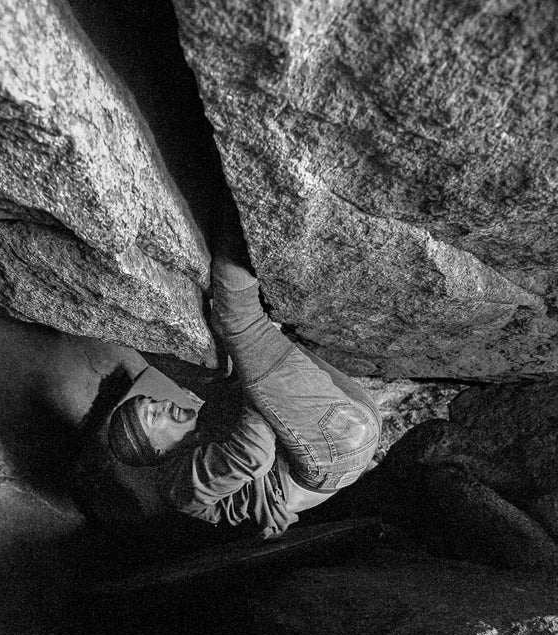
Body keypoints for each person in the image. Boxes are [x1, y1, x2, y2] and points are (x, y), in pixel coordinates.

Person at [107, 209, 382, 540]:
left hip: (355, 419)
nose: (164, 405)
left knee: (244, 358)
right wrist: (249, 385)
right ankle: (241, 202)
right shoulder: (181, 487)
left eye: (153, 401)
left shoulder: (205, 429)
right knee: (241, 319)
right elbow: (253, 452)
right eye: (153, 416)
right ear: (157, 452)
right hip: (337, 447)